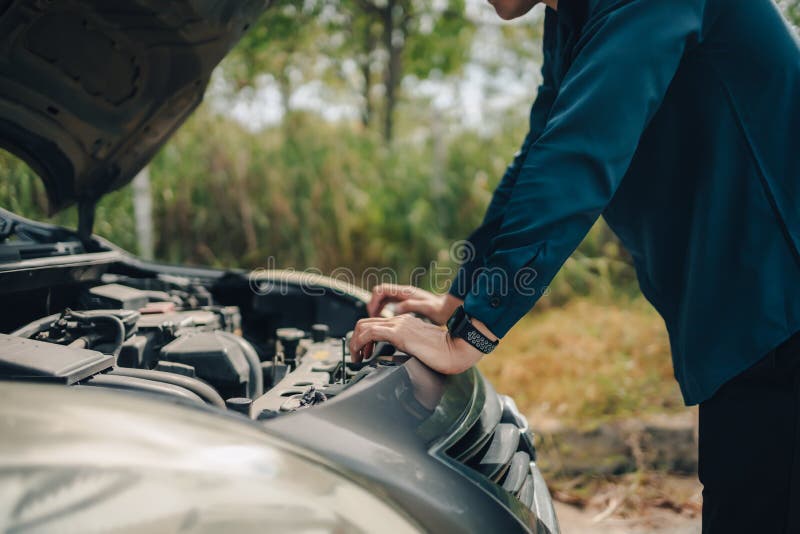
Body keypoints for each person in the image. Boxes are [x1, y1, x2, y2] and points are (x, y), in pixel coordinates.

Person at [349, 0, 800, 531]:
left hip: (781, 304)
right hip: (746, 312)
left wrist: (470, 336)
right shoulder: (573, 16)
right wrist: (463, 295)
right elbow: (542, 148)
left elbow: (580, 154)